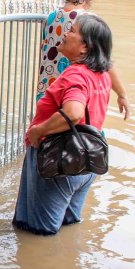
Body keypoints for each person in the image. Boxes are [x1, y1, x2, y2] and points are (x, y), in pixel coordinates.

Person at [14, 14, 114, 235]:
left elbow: (74, 112)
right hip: (88, 160)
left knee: (38, 234)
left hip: (59, 161)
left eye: (73, 31)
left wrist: (38, 131)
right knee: (68, 226)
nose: (66, 33)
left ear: (84, 48)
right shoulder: (102, 74)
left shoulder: (75, 75)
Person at [36, 0, 130, 120]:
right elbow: (104, 62)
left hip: (46, 96)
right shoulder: (89, 22)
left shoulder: (51, 18)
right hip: (73, 98)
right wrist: (122, 94)